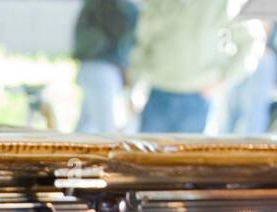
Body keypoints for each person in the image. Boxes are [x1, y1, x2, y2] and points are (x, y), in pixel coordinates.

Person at [129, 0, 264, 134]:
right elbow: (142, 43)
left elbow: (251, 41)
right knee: (149, 154)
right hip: (158, 94)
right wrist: (135, 88)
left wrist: (225, 80)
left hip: (199, 97)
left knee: (194, 155)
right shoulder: (158, 3)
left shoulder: (224, 4)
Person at [73, 0, 139, 135]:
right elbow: (125, 45)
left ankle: (72, 155)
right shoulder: (124, 9)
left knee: (87, 125)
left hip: (90, 68)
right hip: (104, 70)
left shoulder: (93, 5)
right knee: (106, 131)